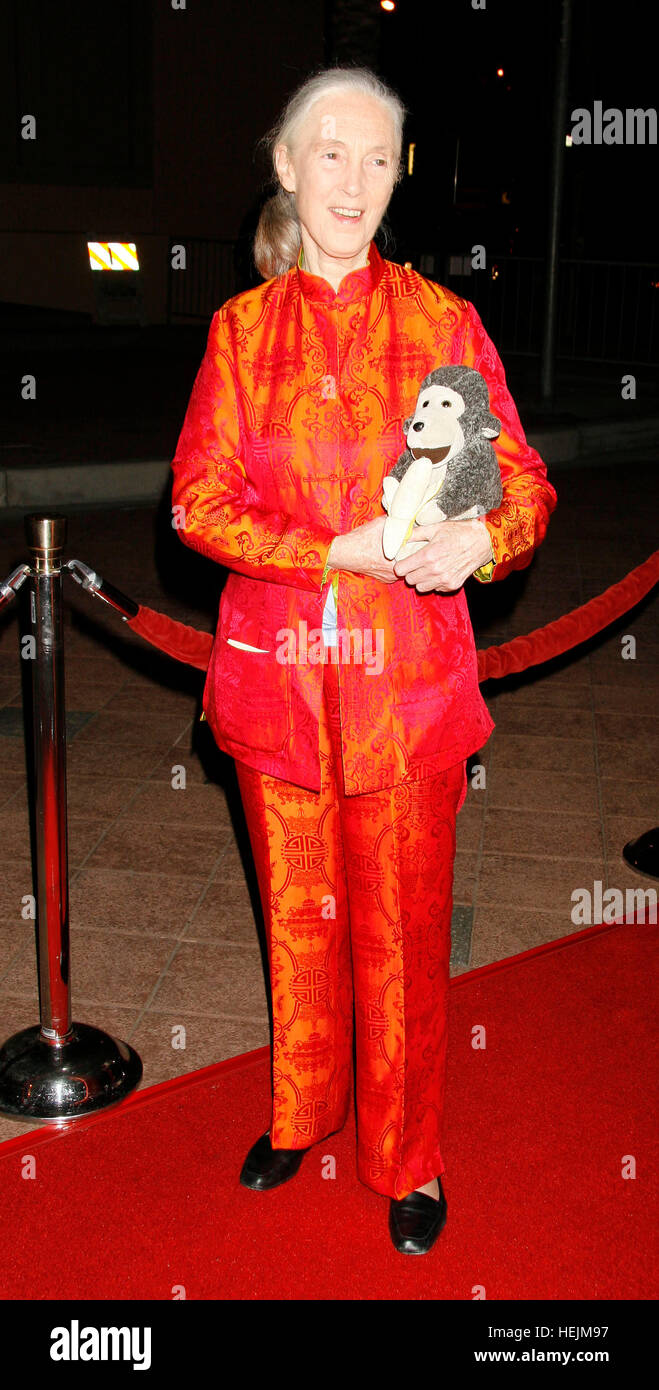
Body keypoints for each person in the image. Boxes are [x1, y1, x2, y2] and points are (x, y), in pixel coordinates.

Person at [170, 66, 557, 1255]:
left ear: (397, 178)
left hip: (405, 691)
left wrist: (475, 537)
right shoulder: (241, 331)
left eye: (374, 158)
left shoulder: (440, 325)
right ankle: (300, 1109)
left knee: (399, 932)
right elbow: (196, 501)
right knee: (297, 918)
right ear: (286, 168)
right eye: (326, 154)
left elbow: (523, 483)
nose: (350, 180)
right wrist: (326, 547)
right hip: (276, 683)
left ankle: (405, 1155)